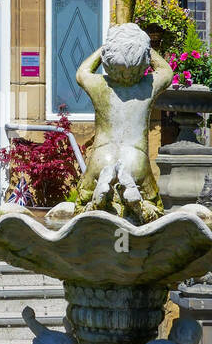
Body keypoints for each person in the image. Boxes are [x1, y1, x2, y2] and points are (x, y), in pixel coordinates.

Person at [74, 22, 172, 223]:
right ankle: (137, 204)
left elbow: (82, 73)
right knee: (154, 215)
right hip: (135, 159)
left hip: (102, 157)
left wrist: (105, 47)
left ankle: (97, 202)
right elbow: (166, 71)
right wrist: (145, 48)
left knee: (81, 212)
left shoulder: (99, 85)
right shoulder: (148, 86)